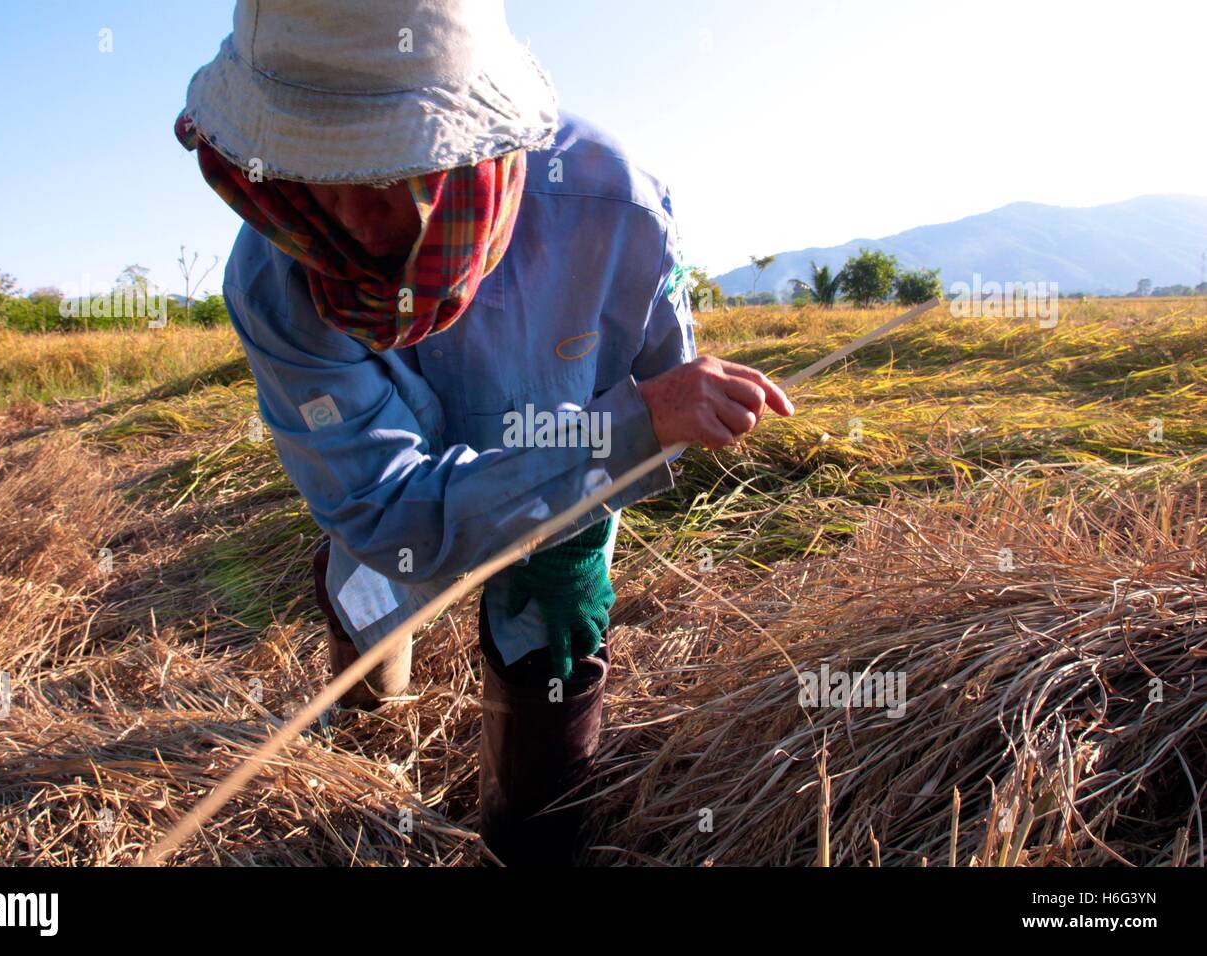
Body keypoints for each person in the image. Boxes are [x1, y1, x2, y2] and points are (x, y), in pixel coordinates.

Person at [175, 0, 792, 866]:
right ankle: (367, 674)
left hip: (564, 504)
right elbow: (391, 509)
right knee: (377, 597)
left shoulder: (615, 211)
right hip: (393, 511)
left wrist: (594, 498)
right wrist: (630, 427)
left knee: (547, 721)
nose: (354, 219)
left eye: (392, 175)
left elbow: (657, 401)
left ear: (472, 147)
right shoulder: (278, 280)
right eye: (323, 174)